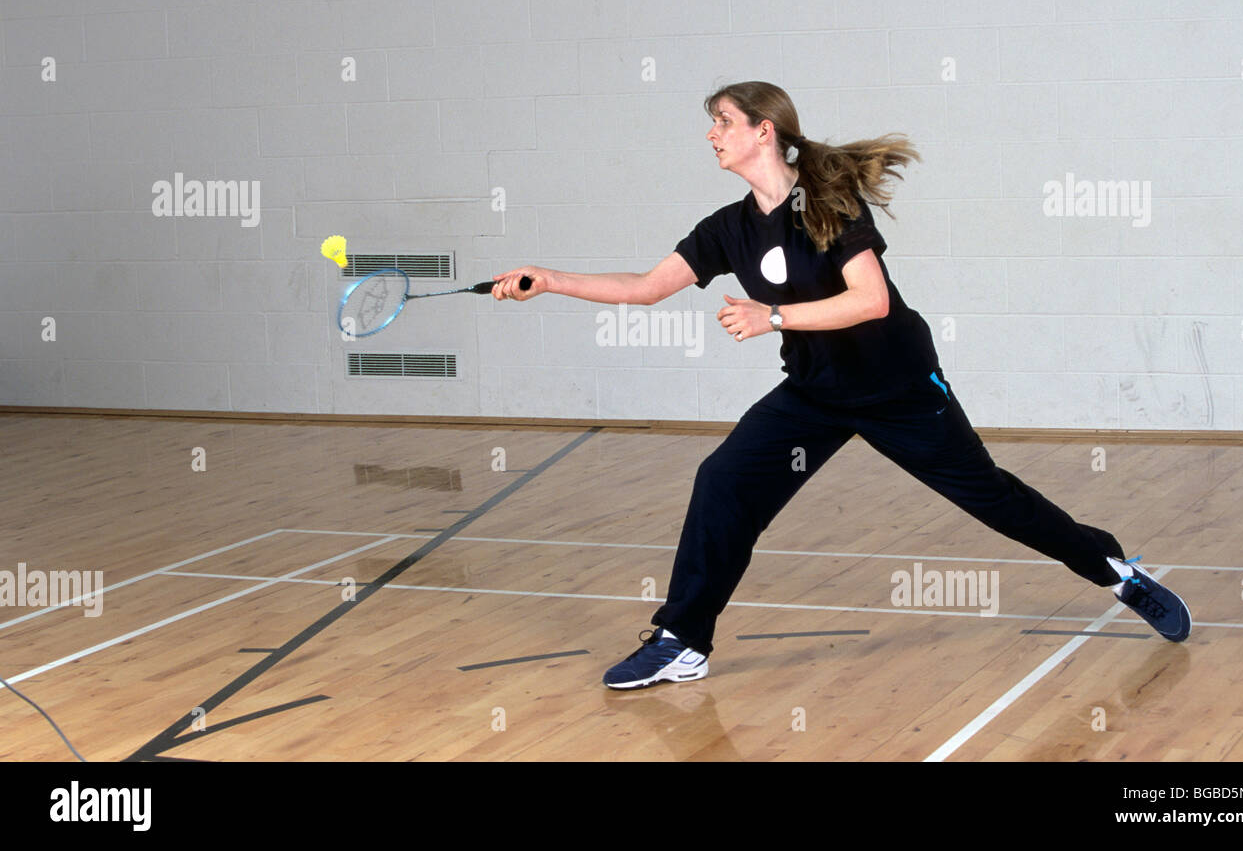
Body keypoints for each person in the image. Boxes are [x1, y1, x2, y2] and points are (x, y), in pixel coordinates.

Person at [491, 81, 1191, 690]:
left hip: (898, 388)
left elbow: (871, 300)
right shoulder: (727, 229)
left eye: (723, 122)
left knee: (994, 499)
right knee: (723, 480)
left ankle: (1113, 570)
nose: (712, 135)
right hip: (817, 392)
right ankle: (683, 640)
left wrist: (772, 316)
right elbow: (646, 288)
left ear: (762, 131)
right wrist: (549, 280)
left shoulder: (828, 200)